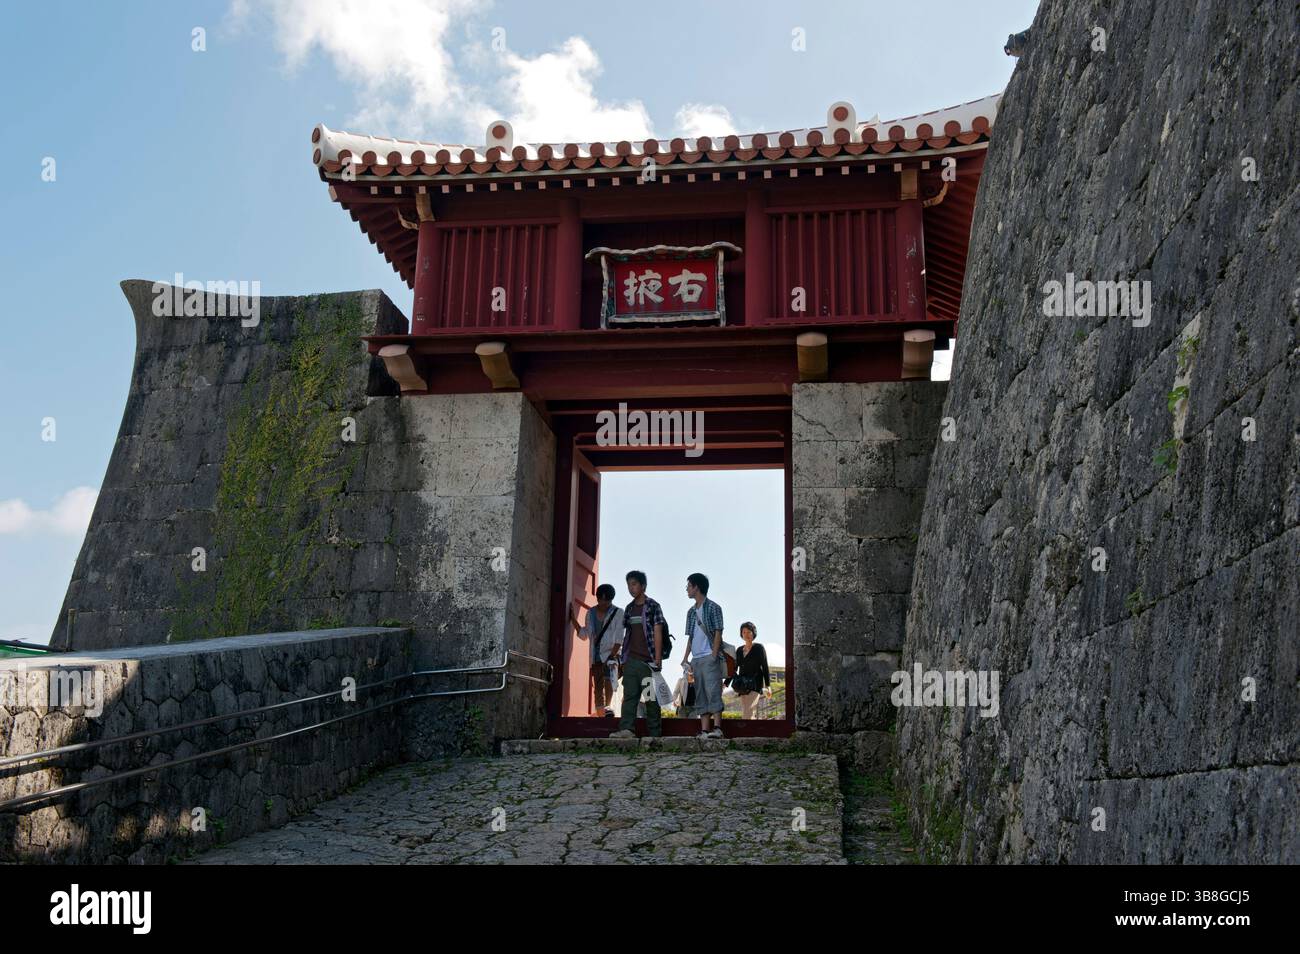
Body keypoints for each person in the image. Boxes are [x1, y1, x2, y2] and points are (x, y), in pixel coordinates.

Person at [609, 570, 665, 739]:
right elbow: (625, 634)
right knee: (629, 697)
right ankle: (627, 730)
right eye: (628, 585)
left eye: (634, 584)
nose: (630, 588)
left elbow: (658, 632)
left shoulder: (653, 606)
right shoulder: (629, 608)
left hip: (647, 663)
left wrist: (657, 659)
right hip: (631, 661)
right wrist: (621, 659)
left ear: (643, 586)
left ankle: (655, 734)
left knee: (650, 699)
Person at [681, 572, 725, 739]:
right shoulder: (690, 612)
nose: (686, 589)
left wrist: (714, 655)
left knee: (713, 691)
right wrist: (685, 657)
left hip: (709, 656)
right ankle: (705, 730)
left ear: (696, 587)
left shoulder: (714, 607)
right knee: (700, 693)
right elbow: (691, 637)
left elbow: (718, 632)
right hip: (696, 658)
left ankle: (718, 729)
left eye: (688, 586)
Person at [571, 584, 623, 716]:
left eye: (607, 600)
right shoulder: (590, 613)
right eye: (601, 599)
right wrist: (573, 619)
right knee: (598, 689)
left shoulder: (618, 613)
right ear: (597, 598)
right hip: (595, 657)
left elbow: (619, 638)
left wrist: (611, 657)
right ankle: (602, 716)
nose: (604, 603)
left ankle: (607, 710)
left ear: (611, 600)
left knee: (609, 682)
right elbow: (584, 635)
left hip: (611, 655)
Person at [730, 621, 771, 719]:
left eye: (749, 632)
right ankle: (751, 732)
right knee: (747, 711)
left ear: (753, 633)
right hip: (742, 686)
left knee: (748, 712)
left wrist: (768, 685)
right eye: (744, 632)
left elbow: (765, 666)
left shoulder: (759, 648)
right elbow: (734, 669)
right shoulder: (739, 650)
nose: (746, 634)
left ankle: (746, 733)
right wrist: (725, 683)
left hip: (755, 684)